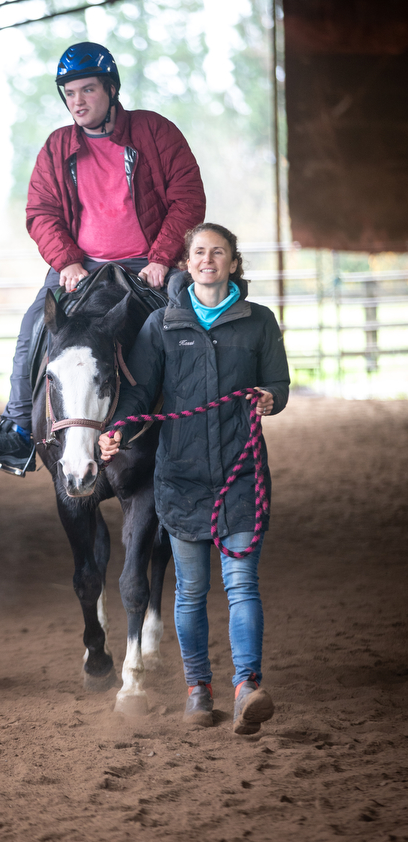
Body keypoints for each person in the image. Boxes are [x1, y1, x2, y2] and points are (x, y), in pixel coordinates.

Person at [0, 41, 206, 473]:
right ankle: (17, 429)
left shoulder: (155, 132)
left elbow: (187, 198)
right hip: (82, 266)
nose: (78, 101)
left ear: (111, 90)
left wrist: (163, 256)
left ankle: (199, 429)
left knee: (191, 319)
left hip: (147, 262)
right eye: (70, 93)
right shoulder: (57, 147)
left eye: (88, 90)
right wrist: (67, 260)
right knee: (34, 322)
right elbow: (41, 212)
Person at [98, 223, 290, 735]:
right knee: (189, 591)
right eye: (199, 252)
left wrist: (271, 398)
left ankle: (247, 686)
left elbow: (278, 382)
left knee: (242, 585)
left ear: (233, 262)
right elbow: (141, 397)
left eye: (219, 252)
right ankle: (198, 690)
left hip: (241, 471)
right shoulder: (162, 324)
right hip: (181, 476)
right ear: (186, 262)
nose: (208, 260)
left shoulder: (258, 322)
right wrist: (118, 427)